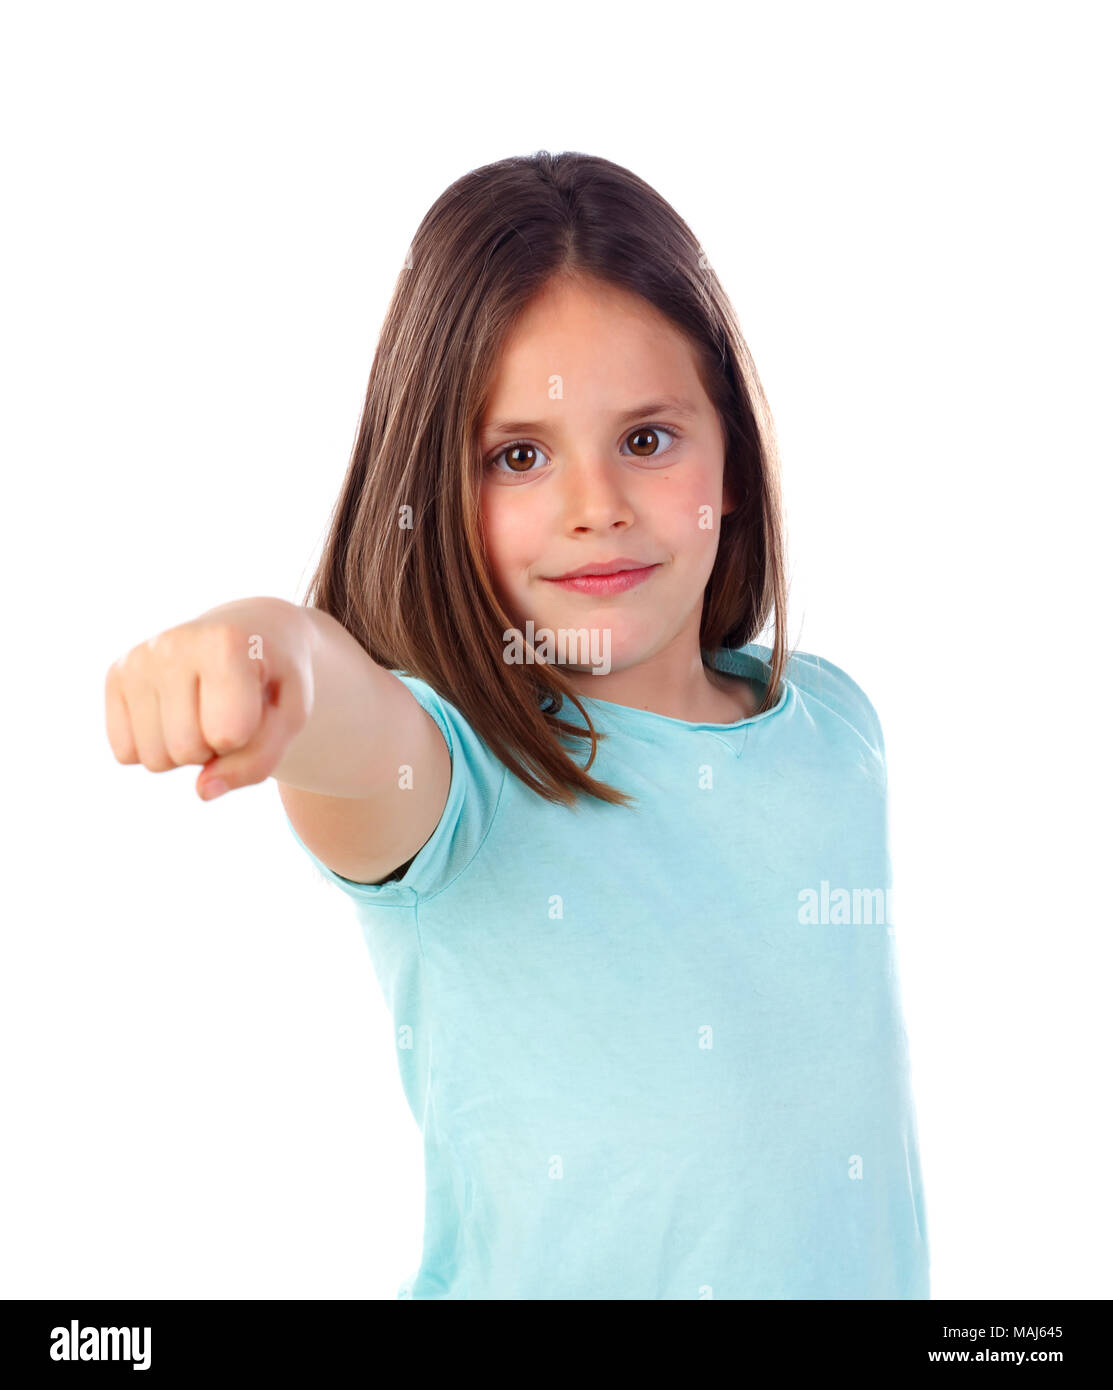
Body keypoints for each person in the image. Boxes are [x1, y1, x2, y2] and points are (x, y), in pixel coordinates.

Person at [105, 150, 930, 1300]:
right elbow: (344, 711)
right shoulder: (454, 784)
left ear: (732, 458)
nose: (596, 505)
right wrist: (260, 648)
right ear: (438, 489)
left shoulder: (839, 728)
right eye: (521, 457)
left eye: (648, 439)